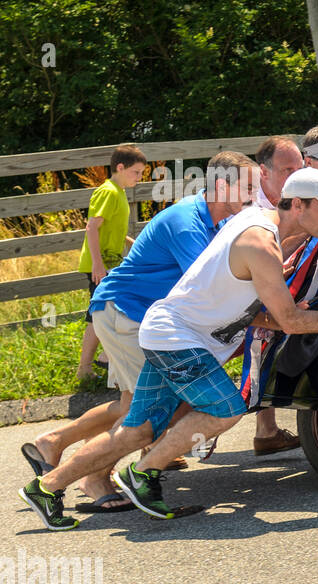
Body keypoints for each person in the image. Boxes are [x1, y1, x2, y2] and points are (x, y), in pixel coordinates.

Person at [19, 168, 318, 529]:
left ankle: (45, 488)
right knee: (226, 408)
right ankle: (142, 474)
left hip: (167, 333)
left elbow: (258, 314)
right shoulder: (261, 244)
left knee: (137, 432)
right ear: (298, 205)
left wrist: (287, 308)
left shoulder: (259, 223)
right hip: (178, 338)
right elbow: (291, 321)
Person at [20, 152, 260, 512]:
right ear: (222, 186)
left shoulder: (215, 220)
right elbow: (212, 284)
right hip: (128, 314)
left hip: (137, 316)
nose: (255, 194)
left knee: (130, 404)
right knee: (141, 415)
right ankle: (92, 479)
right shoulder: (189, 223)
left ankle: (52, 442)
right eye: (249, 186)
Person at [250, 135, 306, 454]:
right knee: (263, 331)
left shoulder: (288, 196)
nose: (295, 175)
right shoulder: (250, 206)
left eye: (299, 168)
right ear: (263, 172)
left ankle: (267, 430)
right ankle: (158, 441)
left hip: (262, 289)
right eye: (287, 169)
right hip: (225, 299)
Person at [76, 144, 147, 382]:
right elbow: (92, 227)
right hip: (101, 266)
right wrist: (97, 265)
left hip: (110, 264)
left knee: (111, 309)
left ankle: (108, 359)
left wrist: (131, 242)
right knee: (98, 314)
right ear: (120, 167)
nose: (139, 178)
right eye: (136, 172)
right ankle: (86, 368)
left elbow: (110, 228)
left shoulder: (118, 192)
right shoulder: (108, 191)